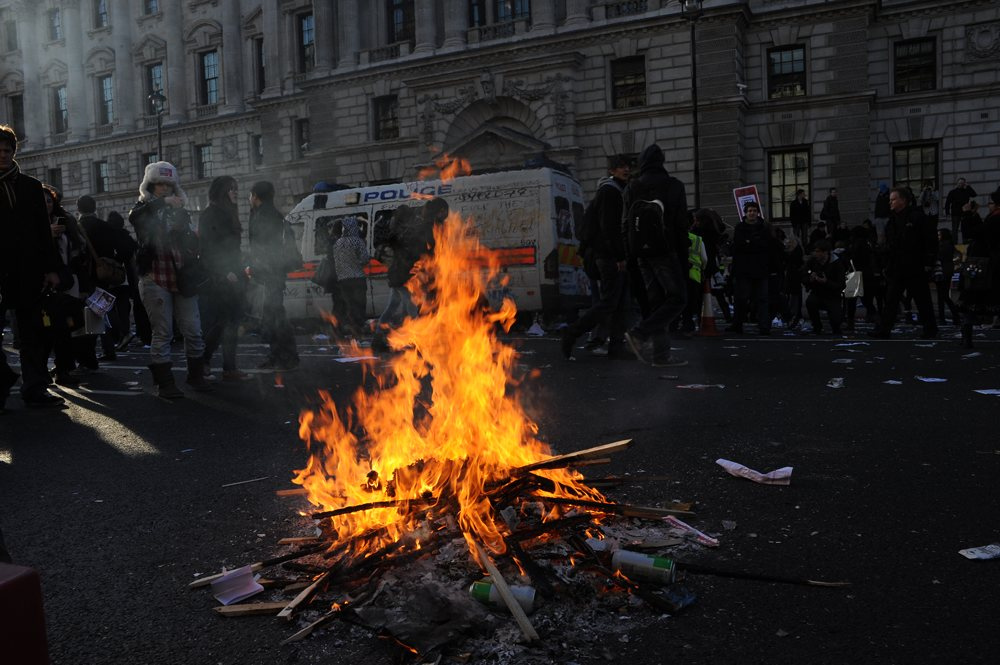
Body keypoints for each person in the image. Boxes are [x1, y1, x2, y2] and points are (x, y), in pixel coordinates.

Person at [129, 161, 213, 398]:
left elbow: (190, 243)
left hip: (182, 276)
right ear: (150, 186)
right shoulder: (143, 208)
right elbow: (135, 217)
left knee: (193, 329)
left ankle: (195, 376)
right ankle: (165, 383)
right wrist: (161, 205)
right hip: (155, 275)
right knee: (163, 332)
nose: (164, 189)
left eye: (168, 185)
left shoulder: (180, 211)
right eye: (159, 185)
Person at [0, 124, 66, 409]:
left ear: (14, 152)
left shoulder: (30, 186)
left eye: (7, 150)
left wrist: (51, 269)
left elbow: (43, 231)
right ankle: (2, 383)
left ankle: (35, 387)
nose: (2, 154)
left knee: (32, 334)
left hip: (27, 269)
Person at [621, 144, 689, 367]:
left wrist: (630, 254)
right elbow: (681, 225)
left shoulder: (632, 187)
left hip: (641, 254)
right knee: (678, 298)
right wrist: (683, 254)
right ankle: (639, 333)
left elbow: (625, 225)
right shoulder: (674, 186)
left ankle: (661, 355)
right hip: (665, 251)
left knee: (658, 302)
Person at [561, 155, 631, 359]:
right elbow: (610, 228)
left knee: (620, 303)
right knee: (609, 302)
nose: (626, 169)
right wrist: (619, 256)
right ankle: (572, 333)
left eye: (627, 165)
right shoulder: (610, 192)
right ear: (612, 171)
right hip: (608, 256)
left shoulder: (615, 191)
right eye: (620, 167)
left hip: (606, 254)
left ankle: (616, 347)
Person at [198, 175, 250, 381]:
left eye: (236, 188)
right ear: (222, 191)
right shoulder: (210, 214)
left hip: (234, 273)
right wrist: (223, 271)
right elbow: (208, 249)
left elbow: (231, 248)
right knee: (222, 322)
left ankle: (229, 367)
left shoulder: (230, 213)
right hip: (220, 277)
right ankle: (204, 360)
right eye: (231, 189)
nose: (235, 192)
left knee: (232, 323)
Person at [869, 187, 938, 339]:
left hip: (915, 265)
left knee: (923, 300)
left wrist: (929, 261)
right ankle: (884, 329)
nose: (890, 203)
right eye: (890, 200)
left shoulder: (917, 217)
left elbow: (930, 239)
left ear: (903, 200)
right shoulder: (892, 220)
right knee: (891, 300)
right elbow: (891, 243)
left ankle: (931, 329)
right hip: (898, 266)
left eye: (893, 199)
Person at [248, 180, 299, 370]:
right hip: (276, 272)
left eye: (250, 195)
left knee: (273, 317)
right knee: (276, 315)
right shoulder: (276, 215)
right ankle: (283, 355)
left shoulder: (262, 216)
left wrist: (256, 268)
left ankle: (284, 356)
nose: (249, 199)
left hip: (269, 274)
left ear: (256, 196)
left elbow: (261, 248)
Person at [956, 190, 1000, 348]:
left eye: (991, 202)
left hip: (985, 267)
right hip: (989, 266)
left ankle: (966, 338)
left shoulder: (995, 220)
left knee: (970, 301)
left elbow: (973, 233)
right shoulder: (992, 219)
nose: (988, 205)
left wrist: (968, 215)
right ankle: (966, 337)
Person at [727, 200, 773, 335]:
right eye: (749, 211)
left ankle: (764, 327)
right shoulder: (740, 227)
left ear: (758, 212)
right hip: (744, 269)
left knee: (762, 299)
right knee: (741, 299)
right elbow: (738, 246)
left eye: (754, 211)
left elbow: (766, 246)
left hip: (760, 268)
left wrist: (749, 242)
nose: (752, 213)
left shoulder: (764, 227)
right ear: (745, 213)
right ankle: (737, 325)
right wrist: (752, 243)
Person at [331, 216, 370, 340]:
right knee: (360, 306)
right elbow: (365, 259)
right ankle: (359, 332)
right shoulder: (357, 241)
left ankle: (352, 331)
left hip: (343, 280)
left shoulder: (337, 243)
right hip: (357, 278)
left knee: (350, 306)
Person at [801, 240, 847, 335]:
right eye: (815, 251)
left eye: (818, 251)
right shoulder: (812, 262)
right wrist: (810, 279)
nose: (815, 254)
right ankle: (817, 326)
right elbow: (803, 275)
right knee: (810, 302)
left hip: (832, 295)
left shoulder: (836, 263)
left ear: (825, 252)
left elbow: (841, 284)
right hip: (818, 292)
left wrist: (826, 282)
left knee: (836, 321)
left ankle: (835, 326)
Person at [935, 228, 961, 326]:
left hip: (942, 271)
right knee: (943, 296)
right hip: (947, 271)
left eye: (939, 235)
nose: (938, 237)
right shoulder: (949, 245)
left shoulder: (943, 245)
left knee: (943, 296)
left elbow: (940, 256)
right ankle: (950, 317)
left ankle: (948, 317)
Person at [944, 178, 977, 242]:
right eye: (959, 183)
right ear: (957, 183)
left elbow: (974, 194)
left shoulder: (966, 191)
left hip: (965, 213)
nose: (960, 184)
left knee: (965, 229)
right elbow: (947, 203)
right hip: (955, 213)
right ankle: (954, 243)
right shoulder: (952, 192)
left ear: (964, 183)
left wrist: (968, 186)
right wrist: (947, 213)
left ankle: (965, 243)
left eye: (962, 183)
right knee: (955, 229)